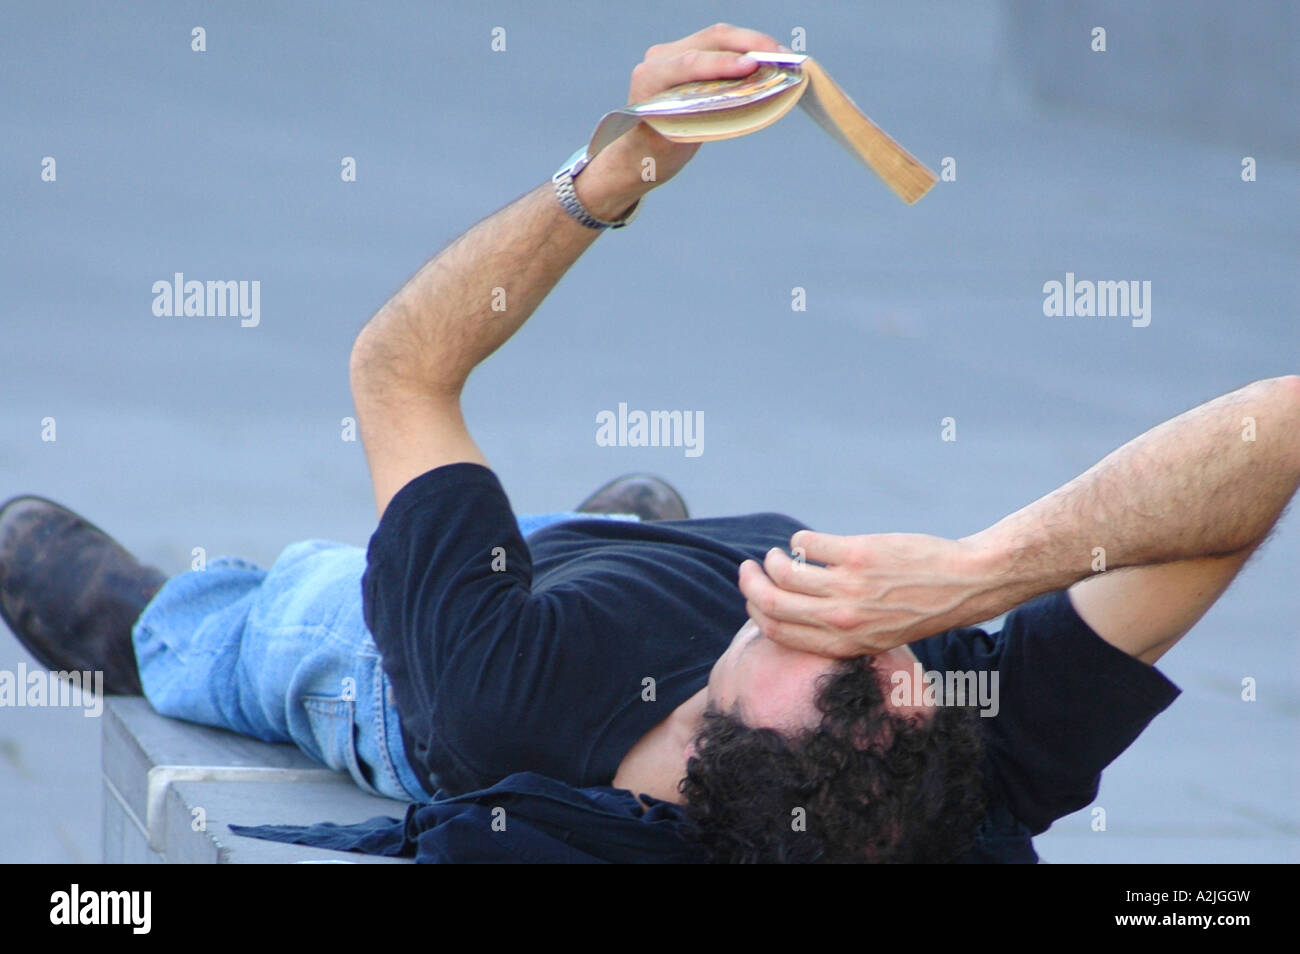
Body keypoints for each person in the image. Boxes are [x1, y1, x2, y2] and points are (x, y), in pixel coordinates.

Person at [3, 23, 1297, 863]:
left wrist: (607, 176)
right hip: (630, 584)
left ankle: (161, 623)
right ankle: (615, 524)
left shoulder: (502, 693)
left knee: (305, 624)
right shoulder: (959, 740)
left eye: (845, 676)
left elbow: (398, 366)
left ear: (705, 752)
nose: (889, 647)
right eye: (916, 676)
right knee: (629, 532)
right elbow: (1275, 433)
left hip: (421, 666)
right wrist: (990, 571)